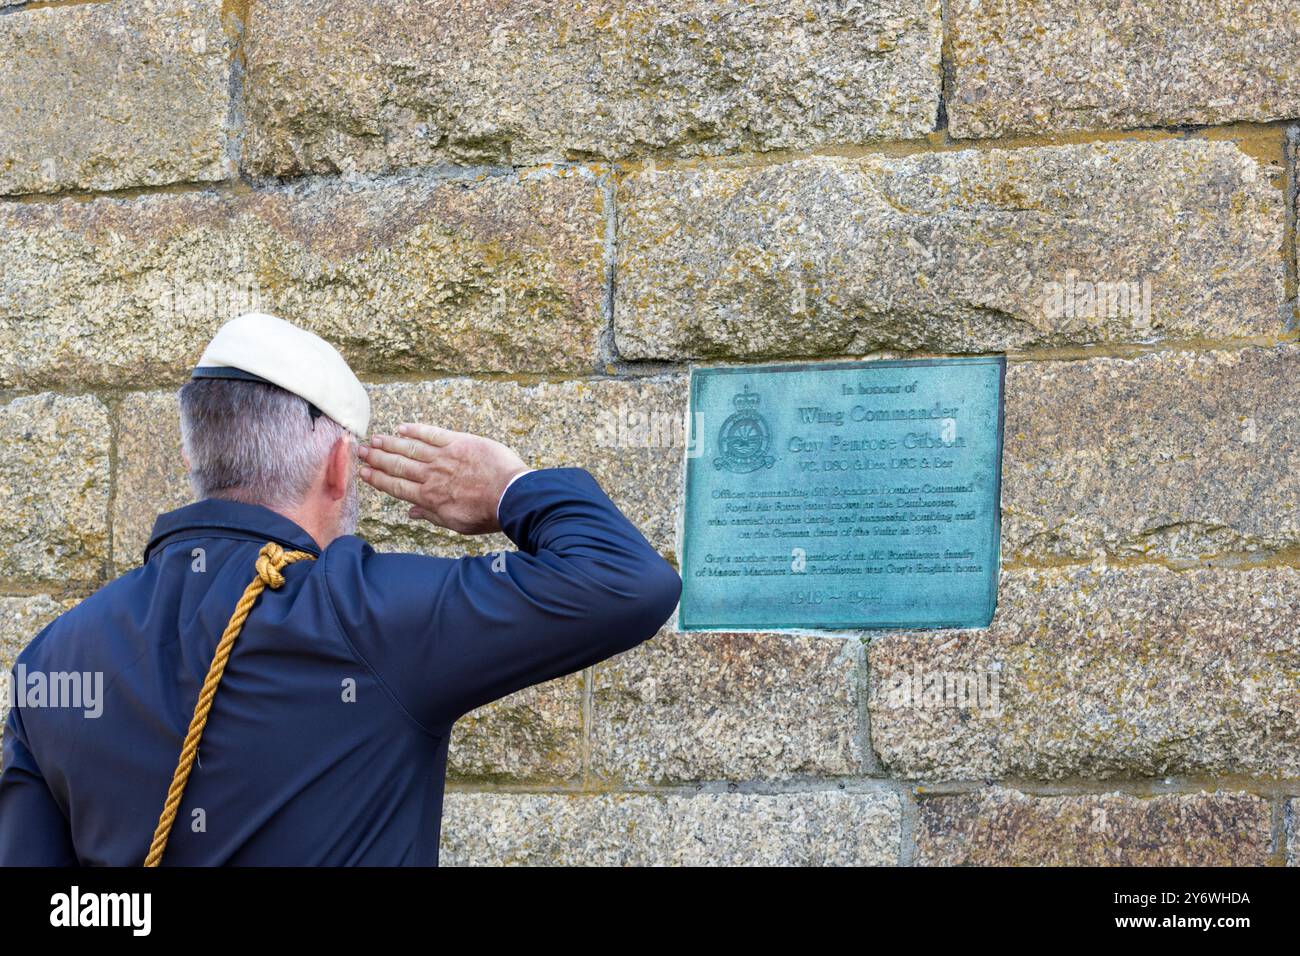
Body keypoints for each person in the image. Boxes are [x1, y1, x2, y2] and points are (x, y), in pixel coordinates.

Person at [0, 312, 681, 866]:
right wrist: (508, 489)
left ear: (193, 458)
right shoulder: (364, 618)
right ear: (338, 466)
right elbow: (628, 580)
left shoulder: (52, 660)